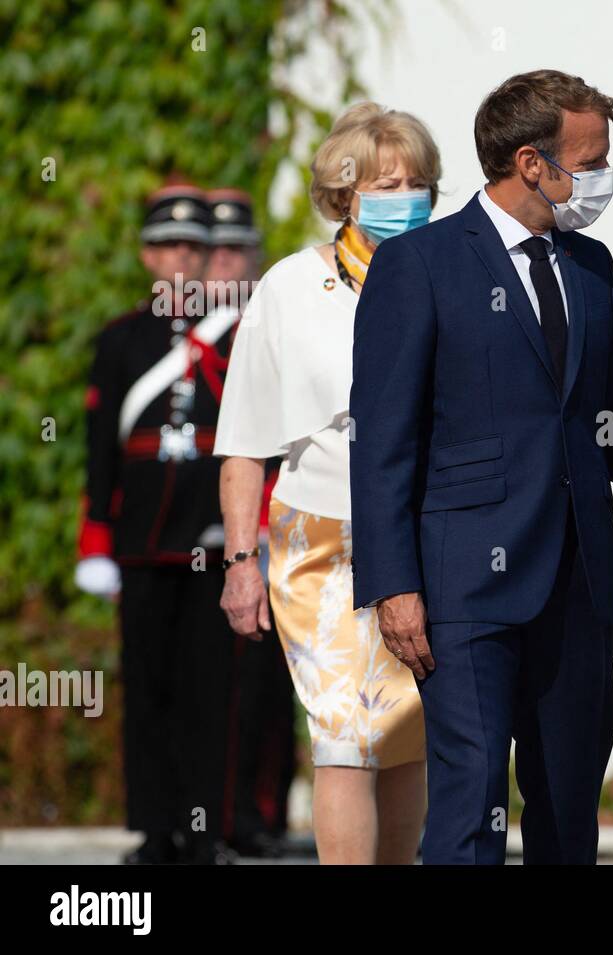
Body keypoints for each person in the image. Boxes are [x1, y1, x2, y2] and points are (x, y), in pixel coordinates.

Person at [349, 69, 613, 865]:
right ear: (530, 163)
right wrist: (392, 583)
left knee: (569, 807)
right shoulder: (419, 264)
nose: (603, 177)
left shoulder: (591, 265)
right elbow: (381, 442)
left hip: (578, 583)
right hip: (464, 589)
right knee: (472, 801)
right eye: (590, 161)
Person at [214, 103, 440, 865]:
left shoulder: (450, 275)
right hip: (318, 543)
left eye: (416, 183)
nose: (404, 197)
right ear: (344, 194)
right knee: (345, 732)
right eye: (385, 184)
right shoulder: (288, 286)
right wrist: (240, 562)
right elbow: (244, 441)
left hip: (423, 531)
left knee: (405, 730)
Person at [77, 183, 240, 865]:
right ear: (147, 255)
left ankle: (206, 833)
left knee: (210, 692)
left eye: (193, 247)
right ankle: (154, 829)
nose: (181, 257)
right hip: (142, 542)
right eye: (169, 245)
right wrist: (95, 536)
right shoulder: (121, 339)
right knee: (147, 693)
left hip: (210, 537)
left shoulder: (236, 335)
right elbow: (99, 449)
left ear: (207, 258)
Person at [204, 188, 298, 857]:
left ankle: (260, 813)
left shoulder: (273, 321)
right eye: (217, 253)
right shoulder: (176, 338)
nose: (226, 264)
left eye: (238, 251)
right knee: (212, 685)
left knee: (268, 684)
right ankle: (209, 814)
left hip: (268, 522)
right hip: (191, 534)